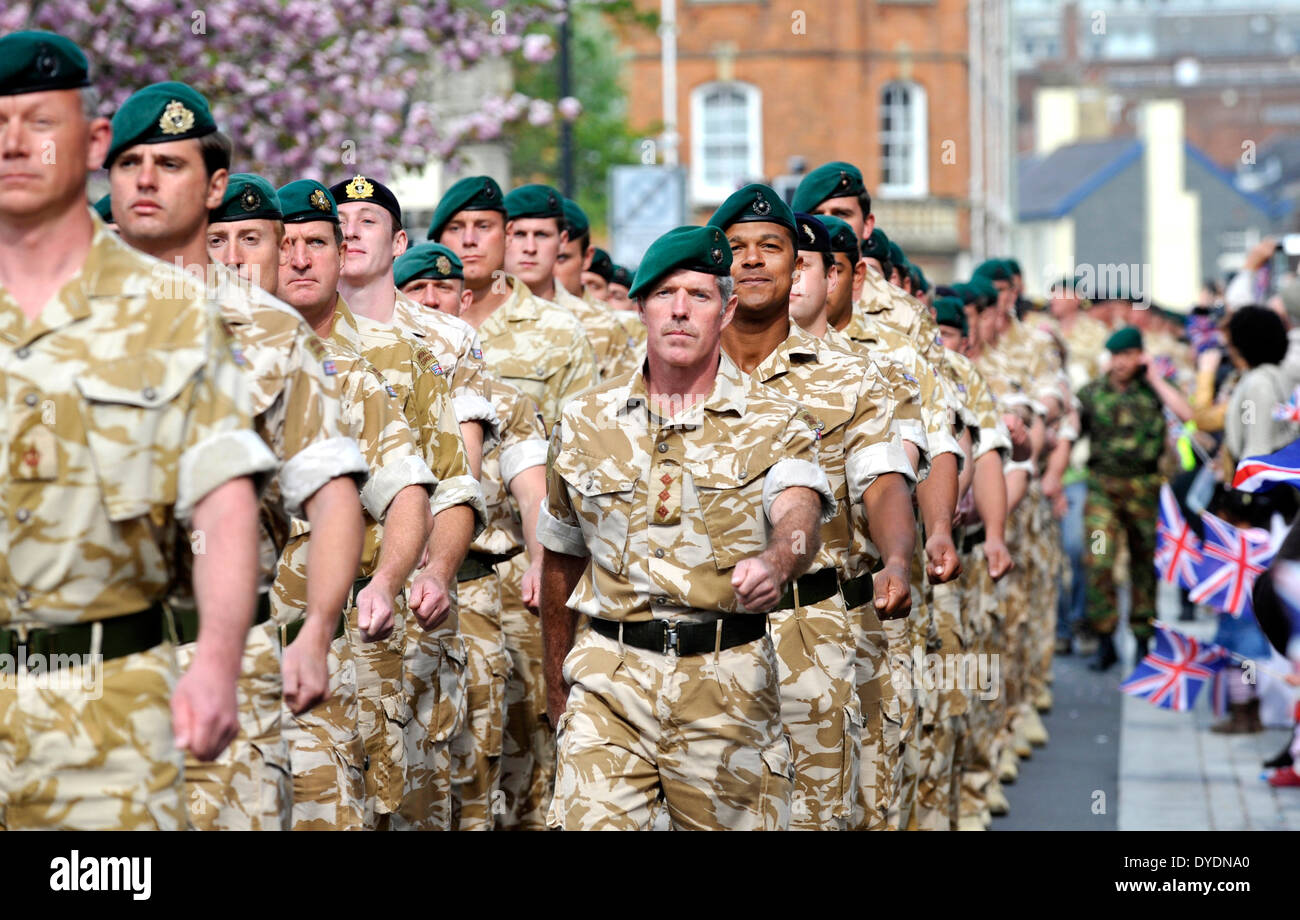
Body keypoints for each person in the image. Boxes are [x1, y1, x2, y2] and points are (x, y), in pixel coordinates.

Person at [0, 31, 277, 828]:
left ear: (91, 144)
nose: (16, 144)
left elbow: (224, 502)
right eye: (1, 124)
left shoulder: (171, 310)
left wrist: (218, 662)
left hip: (109, 718)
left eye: (41, 122)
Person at [106, 83, 369, 831]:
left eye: (170, 164)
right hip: (79, 674)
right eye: (130, 164)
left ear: (216, 184)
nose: (147, 181)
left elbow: (330, 492)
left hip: (224, 661)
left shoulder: (271, 330)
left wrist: (317, 628)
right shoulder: (53, 313)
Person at [538, 223, 836, 830]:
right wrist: (555, 683)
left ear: (726, 309)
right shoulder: (584, 420)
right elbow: (561, 558)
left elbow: (799, 510)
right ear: (639, 305)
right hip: (609, 683)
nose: (680, 311)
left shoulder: (776, 420)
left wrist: (777, 563)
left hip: (726, 686)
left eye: (699, 296)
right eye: (665, 294)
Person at [710, 191, 915, 829]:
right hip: (698, 632)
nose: (751, 262)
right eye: (735, 248)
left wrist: (899, 559)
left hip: (811, 629)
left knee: (815, 815)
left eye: (770, 248)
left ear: (799, 266)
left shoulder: (852, 376)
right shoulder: (675, 366)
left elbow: (881, 480)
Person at [429, 175, 597, 829]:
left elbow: (583, 458)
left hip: (527, 575)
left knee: (536, 752)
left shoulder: (557, 332)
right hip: (438, 576)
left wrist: (559, 564)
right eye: (457, 229)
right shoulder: (412, 324)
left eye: (485, 227)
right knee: (443, 755)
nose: (470, 240)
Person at [1076, 326, 1167, 670]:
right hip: (1104, 490)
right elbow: (1071, 430)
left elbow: (1187, 416)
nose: (1120, 363)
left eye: (1128, 356)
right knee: (1099, 560)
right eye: (1115, 356)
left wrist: (1156, 377)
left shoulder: (1154, 392)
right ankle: (1104, 639)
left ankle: (1143, 639)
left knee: (1143, 564)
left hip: (1144, 489)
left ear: (1140, 356)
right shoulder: (1091, 394)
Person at [502, 184, 632, 381]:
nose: (530, 248)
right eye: (519, 234)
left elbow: (621, 404)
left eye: (541, 235)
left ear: (562, 241)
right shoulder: (472, 313)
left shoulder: (603, 325)